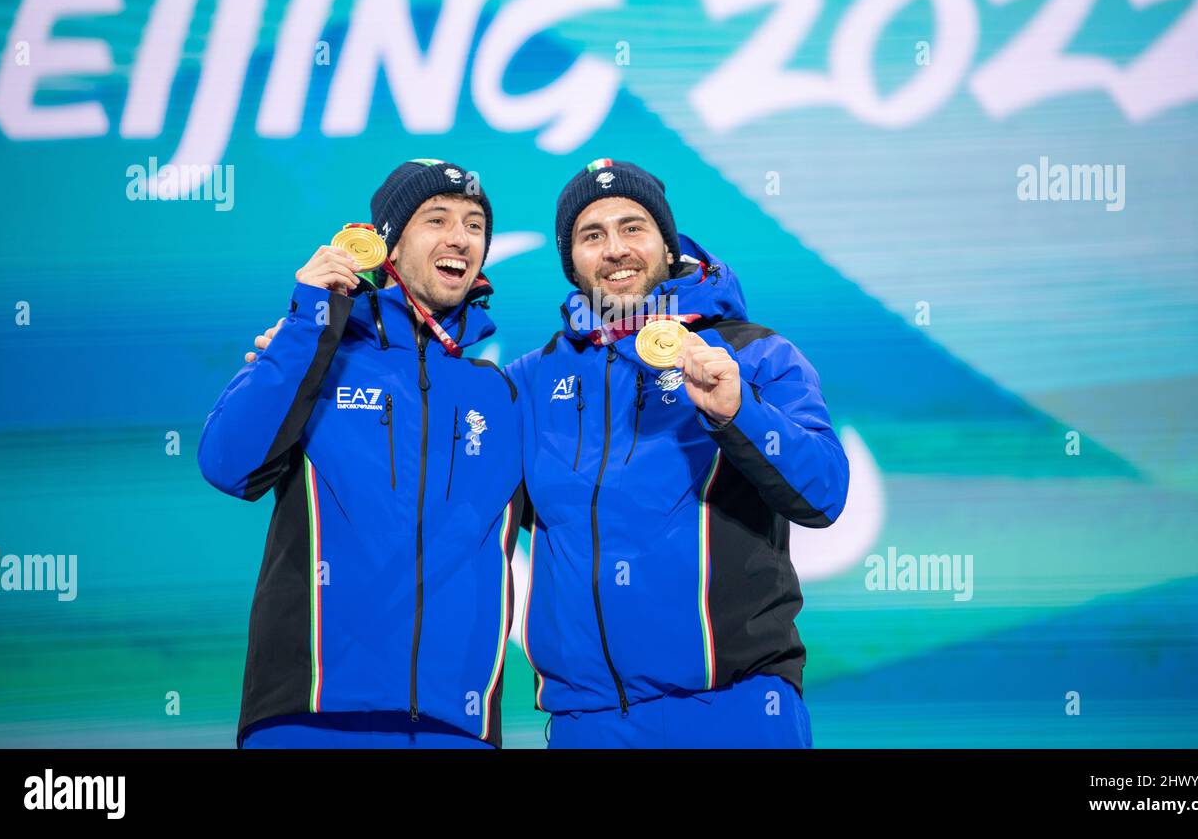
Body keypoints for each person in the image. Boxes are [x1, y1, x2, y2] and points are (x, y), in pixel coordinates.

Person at [505, 158, 850, 748]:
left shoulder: (756, 354)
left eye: (633, 227)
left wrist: (737, 412)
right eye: (592, 235)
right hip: (588, 723)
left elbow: (825, 494)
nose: (615, 249)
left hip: (736, 709)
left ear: (667, 245)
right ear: (572, 262)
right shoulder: (531, 383)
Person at [198, 159, 523, 748]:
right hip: (309, 717)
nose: (461, 236)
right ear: (386, 244)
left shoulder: (501, 394)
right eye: (437, 219)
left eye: (475, 224)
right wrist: (306, 324)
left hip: (457, 727)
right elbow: (226, 465)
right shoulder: (315, 355)